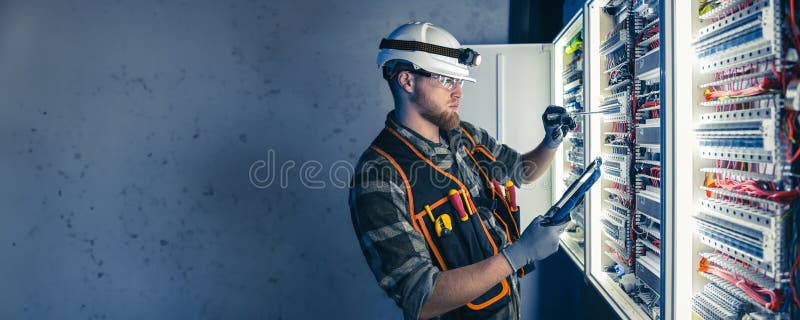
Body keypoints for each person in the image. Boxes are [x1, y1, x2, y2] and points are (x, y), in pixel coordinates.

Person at [349, 22, 577, 320]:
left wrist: (551, 142)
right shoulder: (378, 177)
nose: (459, 93)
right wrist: (519, 254)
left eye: (460, 81)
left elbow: (521, 172)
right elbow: (422, 298)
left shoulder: (465, 136)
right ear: (406, 80)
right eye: (447, 80)